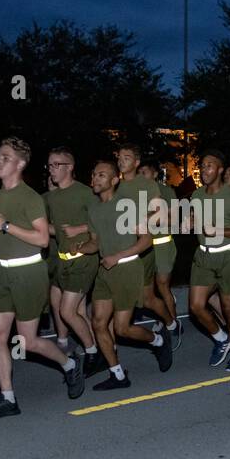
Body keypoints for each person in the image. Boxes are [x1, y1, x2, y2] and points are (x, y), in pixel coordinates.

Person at [0, 138, 85, 418]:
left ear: (20, 164)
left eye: (5, 158)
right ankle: (8, 398)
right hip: (2, 271)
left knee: (28, 341)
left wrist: (5, 226)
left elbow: (43, 239)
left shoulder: (30, 197)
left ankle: (69, 364)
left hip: (28, 272)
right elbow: (1, 236)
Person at [78, 160, 171, 390]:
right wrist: (81, 248)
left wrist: (117, 256)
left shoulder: (125, 205)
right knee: (98, 323)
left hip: (128, 269)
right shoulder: (94, 208)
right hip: (105, 271)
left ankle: (158, 341)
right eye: (94, 174)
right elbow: (95, 242)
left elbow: (146, 240)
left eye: (102, 174)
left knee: (122, 329)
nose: (96, 178)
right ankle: (118, 375)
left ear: (114, 180)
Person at [186, 149, 230, 370]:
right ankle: (221, 339)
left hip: (229, 256)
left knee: (228, 307)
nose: (204, 169)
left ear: (220, 170)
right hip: (203, 256)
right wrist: (189, 221)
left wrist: (219, 230)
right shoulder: (197, 195)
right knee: (196, 306)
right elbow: (195, 219)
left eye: (209, 165)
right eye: (202, 165)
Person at [115, 144, 180, 348]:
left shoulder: (151, 186)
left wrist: (140, 220)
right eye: (119, 157)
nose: (121, 160)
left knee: (156, 290)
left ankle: (172, 324)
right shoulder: (114, 185)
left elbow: (165, 215)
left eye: (127, 157)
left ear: (137, 162)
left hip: (152, 247)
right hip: (122, 250)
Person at [45, 148, 102, 377]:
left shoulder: (85, 193)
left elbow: (105, 219)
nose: (51, 169)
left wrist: (81, 228)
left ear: (69, 167)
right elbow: (56, 231)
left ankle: (92, 353)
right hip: (63, 261)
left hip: (84, 259)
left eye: (56, 165)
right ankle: (102, 349)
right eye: (49, 165)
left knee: (66, 312)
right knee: (78, 313)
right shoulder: (51, 197)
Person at [139, 159, 180, 342]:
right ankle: (163, 317)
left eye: (144, 172)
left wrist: (152, 218)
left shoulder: (166, 192)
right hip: (144, 248)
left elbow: (174, 219)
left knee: (162, 285)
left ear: (155, 174)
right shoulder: (136, 193)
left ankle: (173, 325)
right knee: (149, 289)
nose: (141, 177)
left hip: (163, 245)